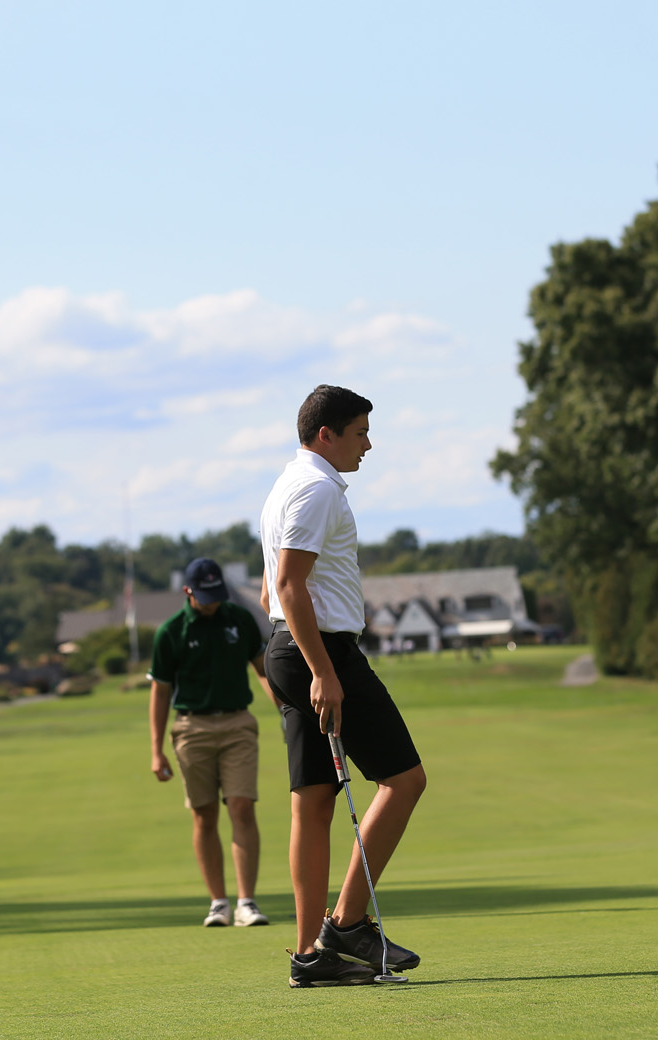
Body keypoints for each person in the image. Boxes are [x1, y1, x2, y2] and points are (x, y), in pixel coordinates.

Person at [259, 384, 427, 988]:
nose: (368, 443)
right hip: (319, 652)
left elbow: (269, 590)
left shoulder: (285, 485)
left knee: (314, 802)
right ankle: (348, 924)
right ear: (325, 435)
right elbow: (291, 585)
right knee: (405, 779)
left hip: (289, 648)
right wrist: (324, 672)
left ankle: (311, 956)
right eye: (359, 432)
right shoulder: (316, 488)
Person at [149, 557, 277, 928]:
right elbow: (160, 693)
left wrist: (287, 711)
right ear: (187, 591)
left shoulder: (238, 619)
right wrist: (156, 750)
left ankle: (246, 903)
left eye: (216, 593)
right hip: (191, 727)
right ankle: (218, 902)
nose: (212, 601)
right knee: (204, 813)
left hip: (238, 722)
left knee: (241, 806)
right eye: (205, 595)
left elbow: (263, 671)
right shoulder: (170, 632)